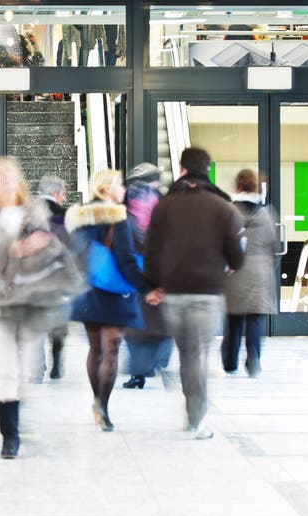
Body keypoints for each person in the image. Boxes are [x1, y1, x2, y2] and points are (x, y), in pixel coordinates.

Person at [0, 157, 81, 458]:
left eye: (10, 176)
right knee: (5, 369)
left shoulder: (33, 209)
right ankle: (9, 438)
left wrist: (37, 245)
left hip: (32, 300)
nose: (5, 182)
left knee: (28, 369)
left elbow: (54, 248)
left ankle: (11, 406)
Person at [144, 147, 244, 439]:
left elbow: (151, 251)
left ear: (183, 169)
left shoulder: (164, 206)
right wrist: (228, 268)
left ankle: (193, 413)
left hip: (174, 293)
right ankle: (195, 418)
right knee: (198, 355)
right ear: (207, 169)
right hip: (208, 293)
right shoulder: (223, 207)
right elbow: (237, 256)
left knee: (187, 353)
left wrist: (154, 284)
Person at [65, 169, 160, 433]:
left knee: (96, 349)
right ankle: (103, 408)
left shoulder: (78, 217)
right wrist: (147, 288)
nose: (124, 190)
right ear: (106, 189)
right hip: (115, 291)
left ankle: (97, 403)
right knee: (112, 348)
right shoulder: (118, 218)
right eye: (119, 184)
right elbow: (126, 262)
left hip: (87, 290)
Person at [222, 169, 279, 377]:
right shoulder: (267, 213)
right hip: (260, 273)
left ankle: (230, 362)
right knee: (254, 319)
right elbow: (274, 246)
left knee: (233, 319)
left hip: (233, 272)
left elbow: (221, 242)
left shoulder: (228, 212)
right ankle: (253, 358)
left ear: (237, 187)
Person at [122, 163, 173, 389]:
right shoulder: (165, 203)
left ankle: (139, 372)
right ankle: (158, 361)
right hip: (160, 267)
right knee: (161, 316)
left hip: (132, 269)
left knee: (136, 320)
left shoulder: (124, 204)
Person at [37, 174, 69, 379]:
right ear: (55, 193)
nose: (65, 198)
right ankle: (56, 364)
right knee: (57, 322)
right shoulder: (63, 214)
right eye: (63, 194)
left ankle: (37, 364)